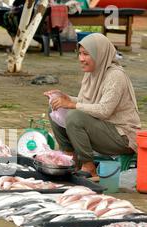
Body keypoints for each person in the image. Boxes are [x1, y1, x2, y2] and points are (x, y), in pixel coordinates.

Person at [45, 33, 141, 179]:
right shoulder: (93, 72)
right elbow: (87, 103)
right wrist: (66, 98)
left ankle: (89, 167)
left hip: (122, 137)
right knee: (57, 107)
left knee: (75, 116)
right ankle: (69, 159)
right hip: (103, 129)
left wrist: (72, 104)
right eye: (80, 53)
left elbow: (104, 110)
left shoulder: (115, 76)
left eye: (86, 54)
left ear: (100, 54)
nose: (81, 59)